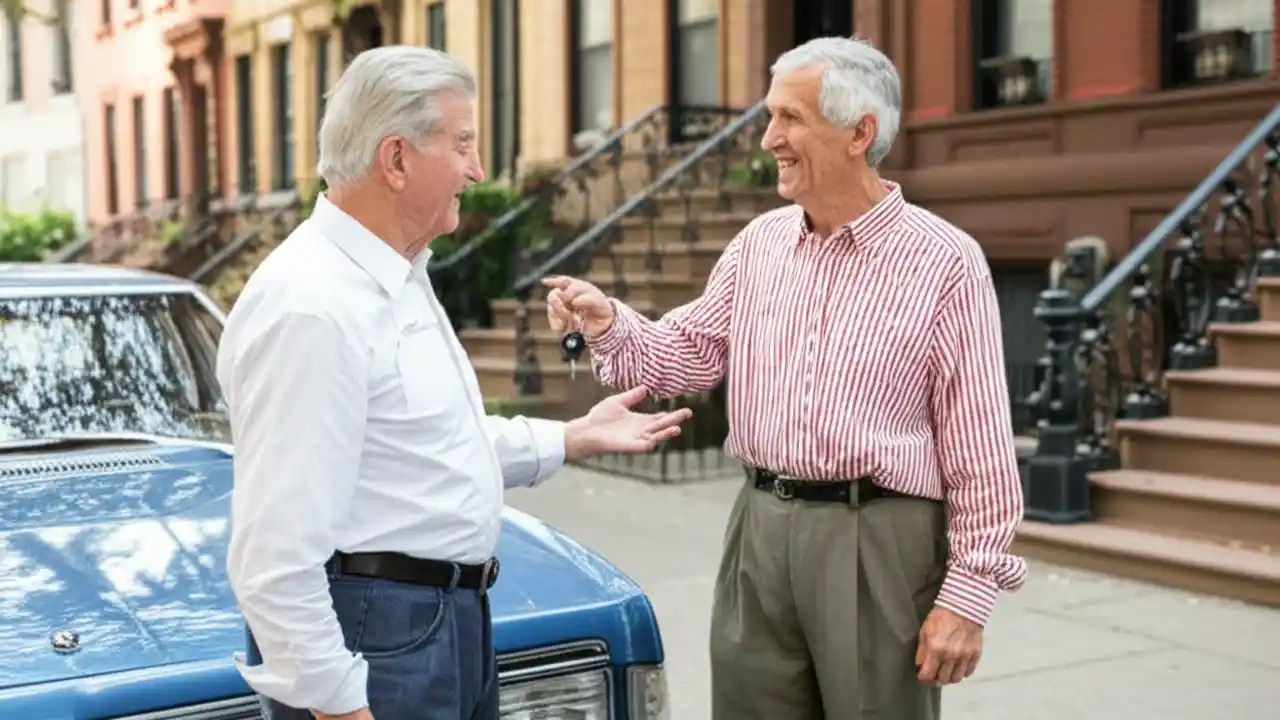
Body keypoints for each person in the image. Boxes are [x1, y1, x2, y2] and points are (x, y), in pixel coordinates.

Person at [543, 36, 1026, 719]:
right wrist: (607, 322)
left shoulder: (946, 262)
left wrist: (967, 597)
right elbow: (684, 353)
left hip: (878, 543)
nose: (768, 138)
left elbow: (978, 445)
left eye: (789, 119)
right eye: (770, 117)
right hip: (759, 532)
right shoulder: (759, 245)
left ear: (860, 132)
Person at [215, 46, 692, 720]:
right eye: (463, 143)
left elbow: (421, 451)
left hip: (439, 627)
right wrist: (339, 707)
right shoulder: (312, 306)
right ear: (397, 159)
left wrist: (572, 437)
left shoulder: (394, 276)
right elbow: (273, 555)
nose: (478, 169)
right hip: (378, 640)